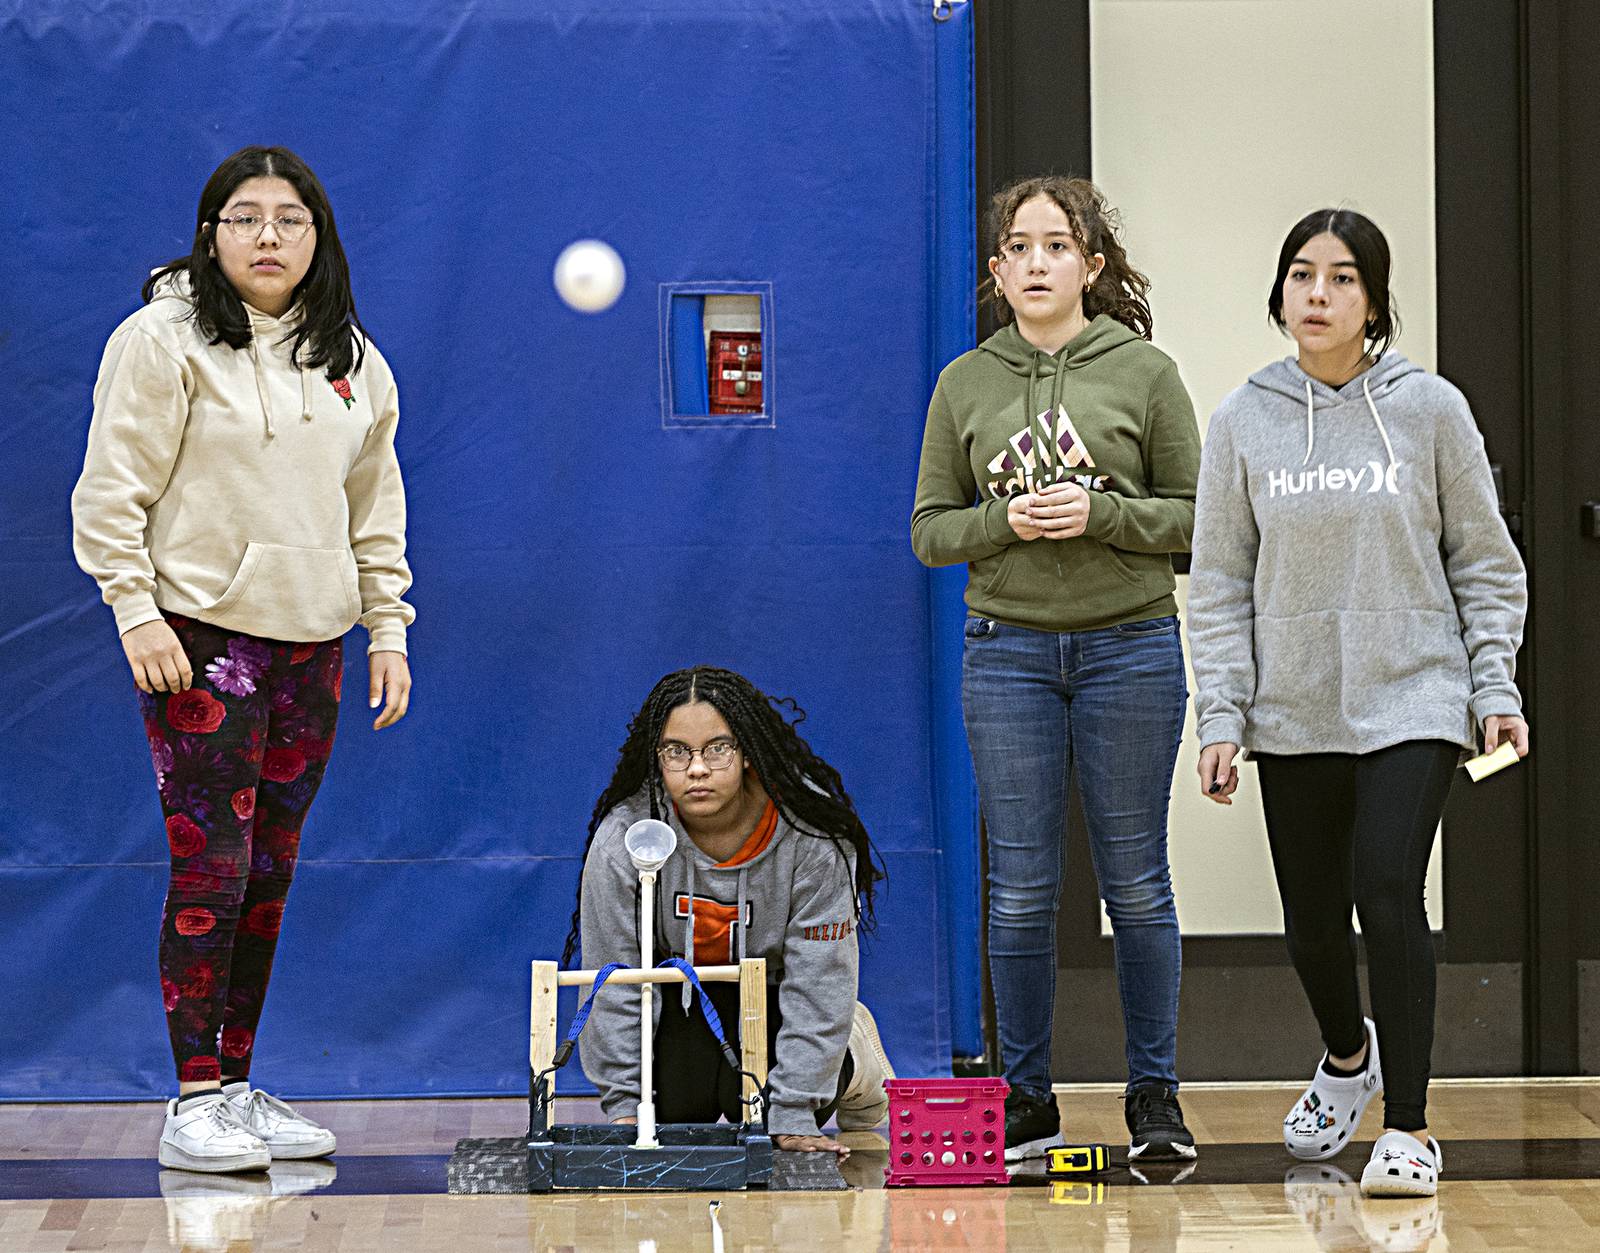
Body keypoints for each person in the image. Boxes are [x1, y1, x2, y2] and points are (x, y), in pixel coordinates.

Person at [71, 145, 415, 1173]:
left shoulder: (349, 355)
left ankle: (236, 1079)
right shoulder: (160, 340)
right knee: (209, 867)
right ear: (210, 234)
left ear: (319, 237)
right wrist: (136, 611)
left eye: (290, 219)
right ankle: (192, 1099)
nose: (268, 237)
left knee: (269, 868)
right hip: (198, 641)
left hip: (314, 642)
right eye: (245, 217)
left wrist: (384, 624)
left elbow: (375, 503)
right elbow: (110, 486)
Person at [1188, 208, 1528, 1199]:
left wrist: (1491, 682)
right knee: (1307, 922)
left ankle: (1409, 1125)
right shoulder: (1242, 418)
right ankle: (1348, 1056)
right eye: (1302, 275)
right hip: (1292, 706)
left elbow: (1484, 560)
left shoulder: (1428, 410)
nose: (1318, 294)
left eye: (1341, 278)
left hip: (1414, 692)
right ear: (1281, 291)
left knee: (1386, 886)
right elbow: (1216, 584)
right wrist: (1222, 714)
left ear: (1372, 299)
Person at [911, 175, 1202, 1162]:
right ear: (996, 273)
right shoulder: (964, 383)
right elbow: (928, 531)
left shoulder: (1146, 372)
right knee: (1020, 886)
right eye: (1018, 249)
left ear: (1092, 264)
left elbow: (1200, 521)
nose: (1036, 262)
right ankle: (1024, 1094)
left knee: (1137, 882)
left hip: (1131, 647)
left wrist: (1103, 513)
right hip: (1008, 657)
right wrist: (1002, 519)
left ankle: (1154, 1095)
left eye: (1055, 245)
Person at [567, 666, 893, 1158]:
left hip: (780, 996)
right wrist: (627, 1106)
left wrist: (796, 1107)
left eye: (717, 748)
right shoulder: (625, 839)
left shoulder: (811, 835)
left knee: (759, 1115)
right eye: (677, 751)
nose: (697, 768)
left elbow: (819, 980)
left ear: (745, 753)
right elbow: (614, 978)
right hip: (685, 997)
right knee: (674, 1108)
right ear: (657, 760)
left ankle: (856, 1056)